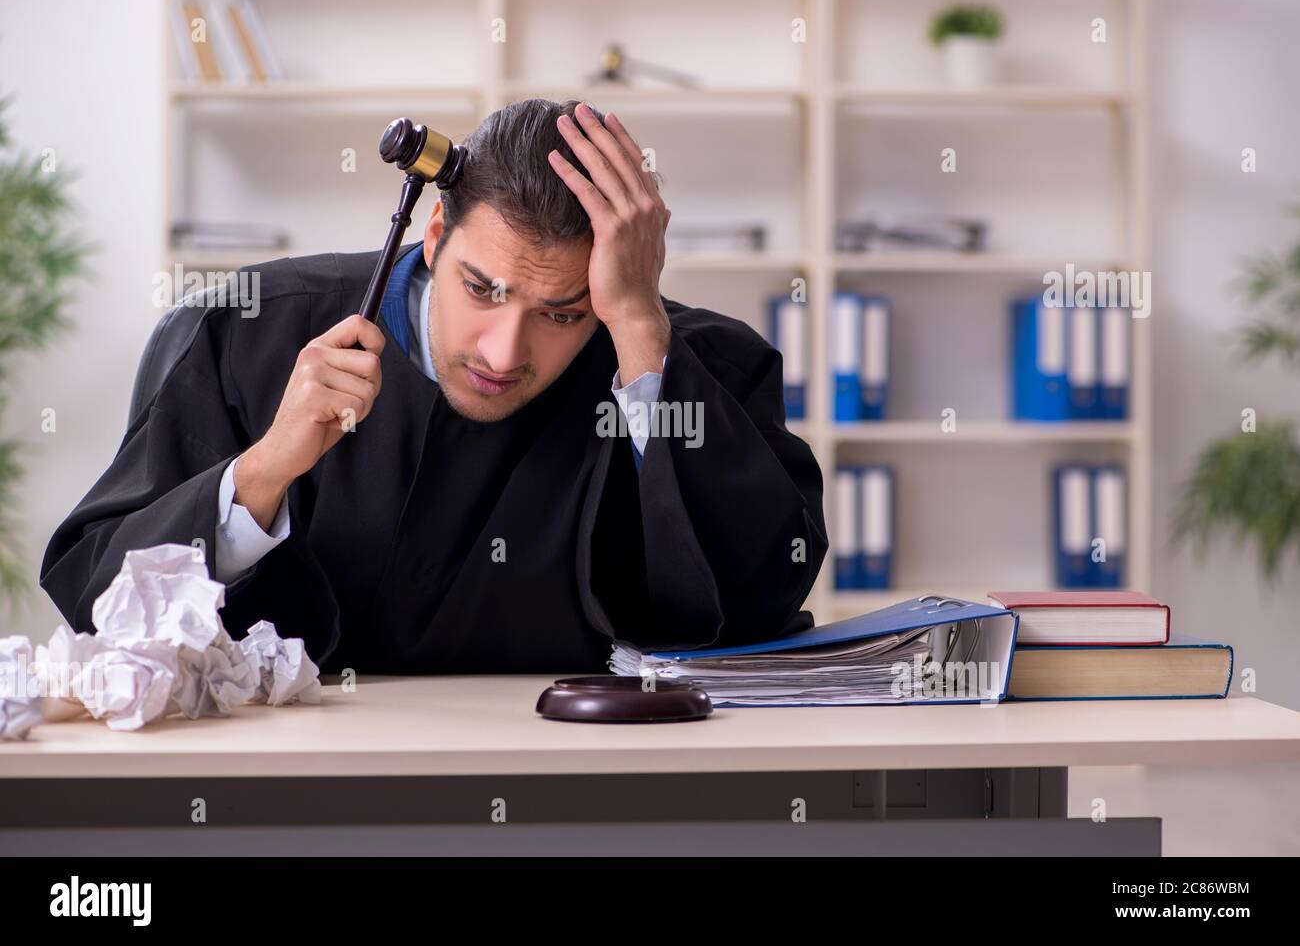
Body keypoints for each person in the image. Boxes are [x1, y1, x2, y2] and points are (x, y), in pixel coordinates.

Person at [40, 98, 827, 675]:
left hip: (581, 784)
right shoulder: (243, 331)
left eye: (562, 312)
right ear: (437, 232)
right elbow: (96, 597)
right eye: (482, 289)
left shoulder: (701, 367)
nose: (504, 350)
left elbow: (757, 606)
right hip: (286, 779)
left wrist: (642, 338)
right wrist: (264, 471)